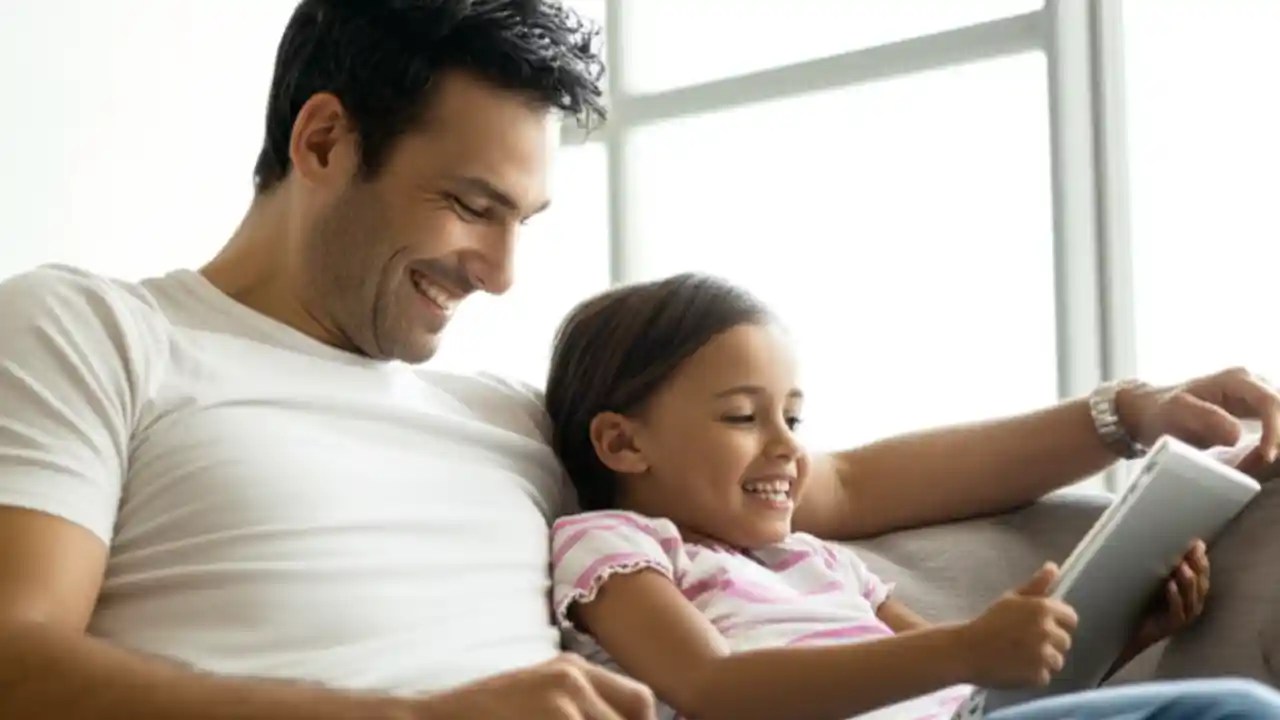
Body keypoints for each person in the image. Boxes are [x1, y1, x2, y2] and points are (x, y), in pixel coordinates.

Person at [0, 1, 1278, 718]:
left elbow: (830, 484)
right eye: (467, 205)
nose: (499, 274)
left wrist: (1124, 413)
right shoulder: (98, 331)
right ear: (324, 139)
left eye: (522, 222)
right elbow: (19, 661)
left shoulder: (505, 418)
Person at [543, 272, 1277, 720]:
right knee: (1236, 710)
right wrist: (964, 646)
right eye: (743, 416)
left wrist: (1123, 637)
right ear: (622, 444)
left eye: (792, 418)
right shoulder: (616, 543)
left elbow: (975, 689)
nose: (788, 446)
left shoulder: (821, 561)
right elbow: (714, 685)